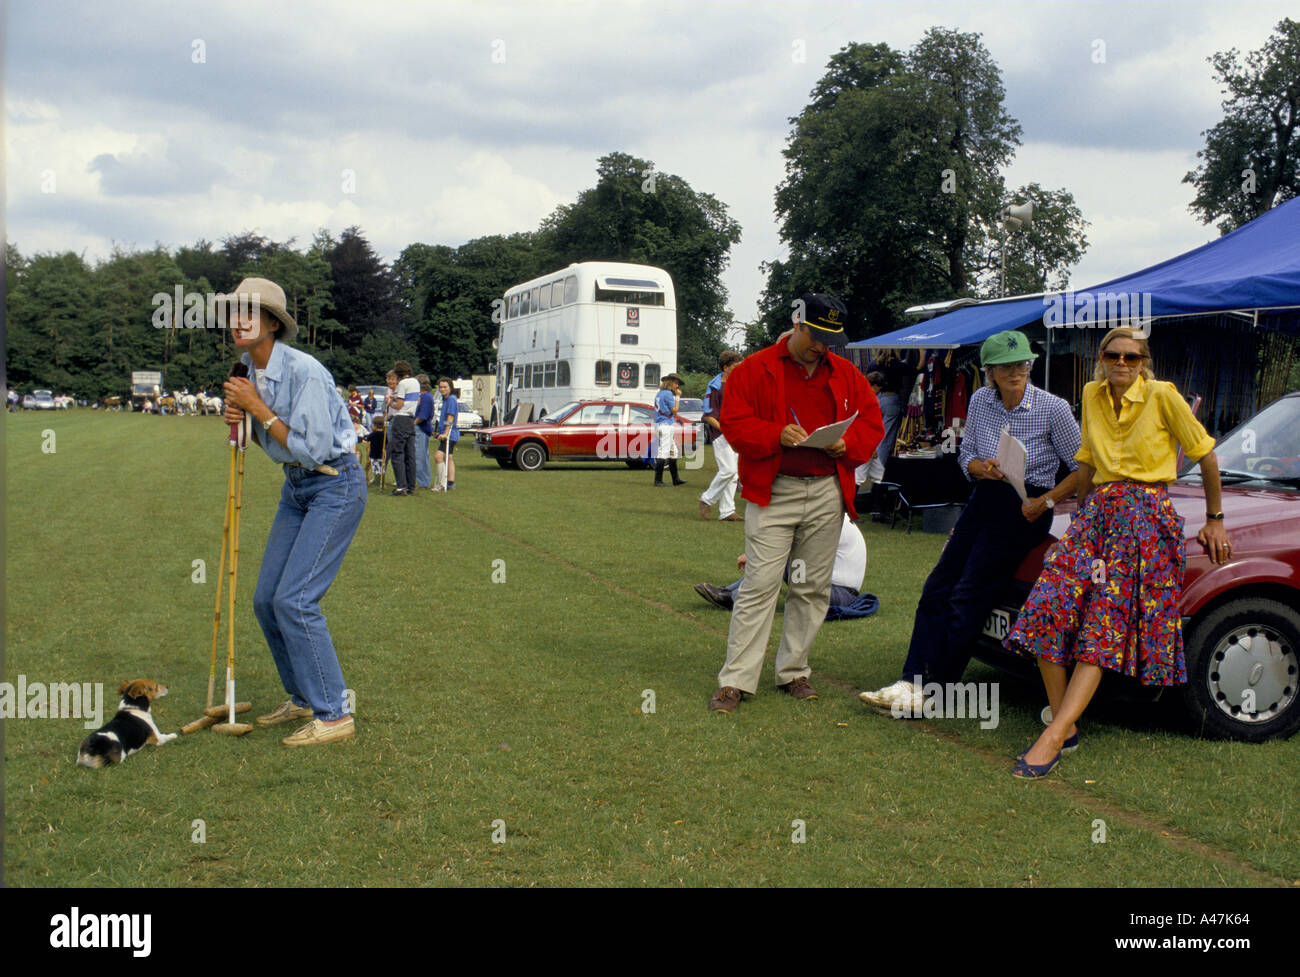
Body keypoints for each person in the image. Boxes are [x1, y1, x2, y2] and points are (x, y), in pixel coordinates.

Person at [1004, 326, 1229, 778]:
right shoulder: (1090, 393)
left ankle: (1053, 735)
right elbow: (1087, 461)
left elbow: (1205, 454)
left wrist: (1215, 518)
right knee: (1047, 606)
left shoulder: (1164, 396)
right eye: (1113, 356)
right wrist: (1071, 512)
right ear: (1101, 359)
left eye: (1132, 357)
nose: (1122, 364)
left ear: (1144, 362)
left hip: (1145, 518)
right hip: (1096, 516)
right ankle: (1065, 726)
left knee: (1104, 626)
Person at [859, 330, 1081, 718]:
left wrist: (1044, 502)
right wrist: (977, 467)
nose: (1016, 372)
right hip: (986, 496)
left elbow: (1083, 469)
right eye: (1006, 366)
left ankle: (936, 690)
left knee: (968, 594)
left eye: (1022, 364)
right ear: (989, 372)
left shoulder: (1053, 408)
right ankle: (910, 679)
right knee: (936, 587)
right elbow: (968, 455)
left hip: (1027, 505)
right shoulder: (980, 399)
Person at [708, 293, 884, 714]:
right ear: (798, 323)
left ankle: (794, 671)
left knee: (811, 588)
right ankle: (735, 680)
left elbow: (872, 422)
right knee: (760, 584)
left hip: (826, 491)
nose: (822, 347)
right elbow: (734, 424)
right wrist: (774, 434)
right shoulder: (753, 369)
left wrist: (848, 445)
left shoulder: (845, 372)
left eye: (830, 339)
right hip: (775, 490)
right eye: (816, 336)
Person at [219, 277, 364, 747]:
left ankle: (334, 713)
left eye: (250, 312)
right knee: (266, 600)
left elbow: (311, 447)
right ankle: (303, 696)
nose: (238, 320)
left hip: (334, 484)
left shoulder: (306, 372)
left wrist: (256, 409)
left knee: (296, 599)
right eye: (234, 311)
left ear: (273, 324)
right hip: (297, 488)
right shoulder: (247, 369)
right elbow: (273, 444)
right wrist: (241, 425)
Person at [695, 513, 877, 619]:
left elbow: (793, 549)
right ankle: (729, 593)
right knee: (782, 560)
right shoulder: (834, 517)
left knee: (781, 561)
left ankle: (734, 598)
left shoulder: (830, 521)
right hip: (837, 590)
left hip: (838, 594)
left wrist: (752, 557)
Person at [698, 350, 745, 521]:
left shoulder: (737, 382)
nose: (738, 370)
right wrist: (726, 430)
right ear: (725, 367)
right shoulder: (715, 386)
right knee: (728, 470)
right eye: (735, 367)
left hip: (735, 433)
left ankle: (727, 511)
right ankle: (706, 499)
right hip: (720, 434)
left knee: (734, 474)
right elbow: (709, 415)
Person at [388, 361, 419, 496]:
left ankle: (401, 487)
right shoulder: (416, 382)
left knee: (397, 453)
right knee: (410, 454)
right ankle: (411, 486)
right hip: (411, 419)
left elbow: (399, 405)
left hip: (400, 419)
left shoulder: (402, 384)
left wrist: (390, 402)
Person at [653, 373, 688, 487]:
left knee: (673, 453)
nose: (677, 386)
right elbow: (675, 411)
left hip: (659, 425)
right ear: (670, 382)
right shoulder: (668, 394)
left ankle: (675, 479)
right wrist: (678, 397)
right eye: (676, 383)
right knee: (664, 452)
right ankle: (658, 480)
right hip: (665, 426)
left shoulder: (659, 393)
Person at [434, 377, 460, 490]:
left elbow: (450, 417)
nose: (442, 389)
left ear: (450, 388)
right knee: (448, 458)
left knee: (438, 456)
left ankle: (441, 483)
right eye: (440, 387)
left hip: (451, 434)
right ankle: (450, 482)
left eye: (445, 387)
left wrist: (445, 433)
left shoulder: (451, 400)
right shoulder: (445, 400)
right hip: (448, 432)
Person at [414, 375, 435, 490]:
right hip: (422, 428)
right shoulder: (425, 396)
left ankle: (422, 482)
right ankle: (424, 481)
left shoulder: (425, 397)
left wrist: (413, 424)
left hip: (420, 429)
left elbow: (423, 415)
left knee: (419, 456)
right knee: (423, 456)